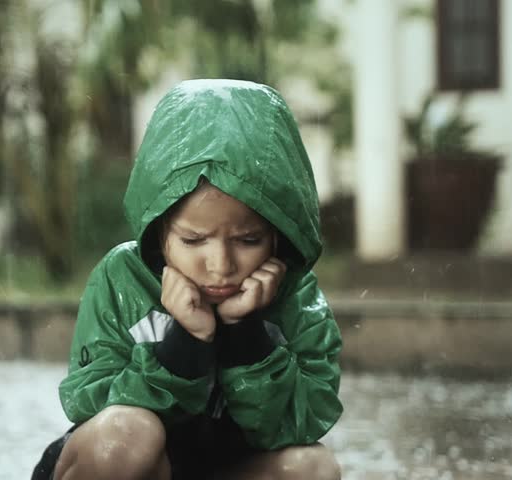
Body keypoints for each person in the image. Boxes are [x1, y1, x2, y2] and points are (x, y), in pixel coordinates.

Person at [32, 79, 343, 480]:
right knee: (127, 436)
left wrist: (247, 336)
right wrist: (185, 343)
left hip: (222, 466)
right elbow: (90, 405)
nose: (220, 264)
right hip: (129, 464)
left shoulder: (298, 297)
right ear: (160, 231)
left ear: (279, 235)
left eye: (249, 240)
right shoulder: (120, 279)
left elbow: (301, 423)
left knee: (313, 469)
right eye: (193, 240)